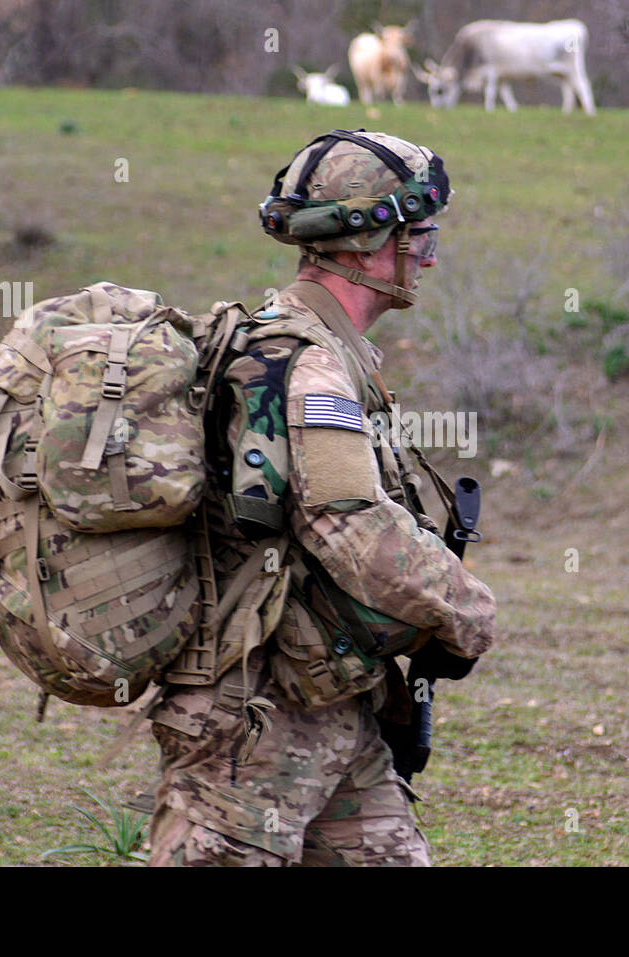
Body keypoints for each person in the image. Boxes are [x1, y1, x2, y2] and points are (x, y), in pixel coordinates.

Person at [145, 130, 498, 866]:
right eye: (420, 238)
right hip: (257, 723)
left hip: (329, 702)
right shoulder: (311, 368)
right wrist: (463, 606)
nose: (427, 259)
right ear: (369, 246)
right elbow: (351, 528)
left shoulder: (317, 349)